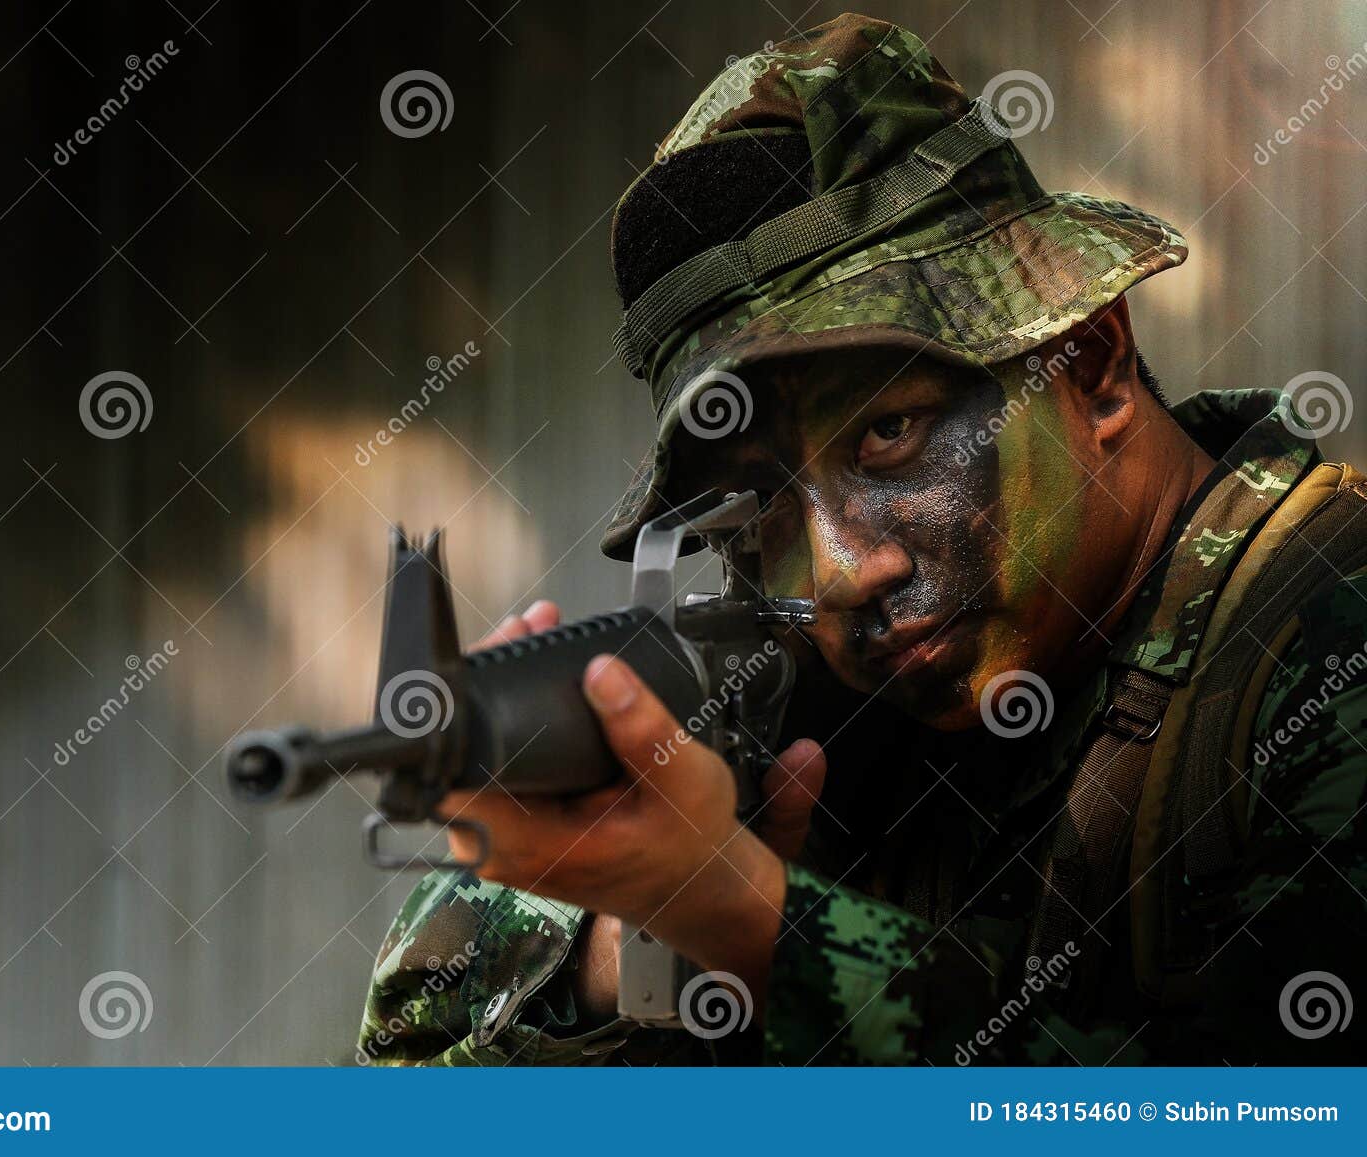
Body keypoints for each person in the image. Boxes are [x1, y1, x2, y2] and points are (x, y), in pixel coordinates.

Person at [355, 13, 1367, 1066]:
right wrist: (622, 950)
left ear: (1089, 363)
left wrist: (751, 926)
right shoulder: (817, 727)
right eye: (759, 504)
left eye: (889, 433)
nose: (839, 571)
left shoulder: (1331, 648)